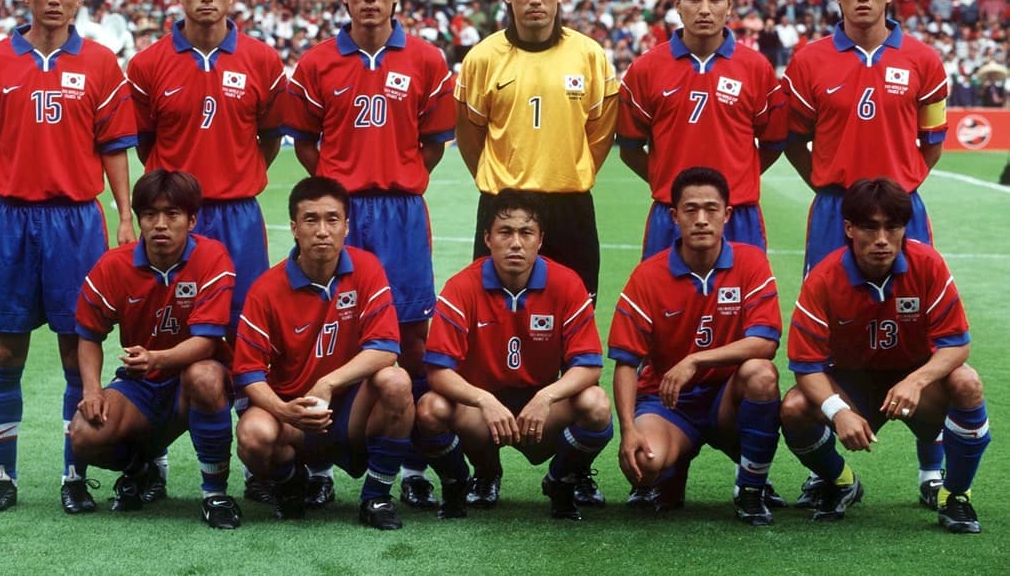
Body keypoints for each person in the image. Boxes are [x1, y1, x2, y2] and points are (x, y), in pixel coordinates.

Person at [0, 0, 137, 514]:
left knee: (78, 353)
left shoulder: (101, 63)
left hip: (78, 223)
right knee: (6, 353)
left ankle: (73, 477)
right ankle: (2, 477)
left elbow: (115, 148)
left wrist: (125, 214)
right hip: (12, 222)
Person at [284, 0, 455, 510]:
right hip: (344, 214)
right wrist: (340, 186)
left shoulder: (428, 61)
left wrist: (397, 178)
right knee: (329, 333)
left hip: (402, 215)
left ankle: (408, 462)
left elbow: (432, 144)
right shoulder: (316, 63)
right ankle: (321, 461)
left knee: (410, 335)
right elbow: (305, 142)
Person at [783, 0, 950, 506]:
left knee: (922, 329)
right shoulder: (809, 60)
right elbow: (791, 139)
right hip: (835, 212)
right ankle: (829, 473)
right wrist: (835, 191)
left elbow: (933, 143)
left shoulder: (924, 59)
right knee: (827, 330)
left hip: (903, 211)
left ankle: (934, 468)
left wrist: (899, 195)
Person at [455, 0, 617, 508]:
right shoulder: (481, 60)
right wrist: (506, 184)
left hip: (570, 210)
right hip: (502, 206)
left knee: (574, 339)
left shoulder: (591, 57)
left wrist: (563, 178)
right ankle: (487, 466)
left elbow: (600, 137)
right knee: (488, 332)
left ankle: (573, 466)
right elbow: (470, 140)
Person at [780, 178, 990, 533]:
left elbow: (956, 343)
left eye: (892, 227)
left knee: (967, 383)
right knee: (793, 407)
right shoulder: (824, 278)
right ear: (848, 228)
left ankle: (955, 495)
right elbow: (806, 364)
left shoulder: (927, 264)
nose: (881, 239)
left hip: (914, 384)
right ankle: (841, 481)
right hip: (852, 385)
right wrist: (839, 411)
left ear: (904, 228)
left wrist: (916, 380)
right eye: (869, 227)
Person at [415, 189, 613, 521]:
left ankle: (561, 479)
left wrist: (546, 397)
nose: (516, 243)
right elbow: (438, 371)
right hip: (482, 412)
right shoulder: (462, 286)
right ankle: (467, 479)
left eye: (526, 232)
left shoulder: (566, 283)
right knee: (430, 408)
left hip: (540, 412)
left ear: (540, 239)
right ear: (488, 238)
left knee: (596, 404)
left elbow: (589, 365)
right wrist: (483, 400)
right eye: (505, 232)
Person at [233, 176, 414, 530]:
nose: (322, 231)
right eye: (311, 220)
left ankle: (375, 495)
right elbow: (248, 373)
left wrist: (328, 384)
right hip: (293, 413)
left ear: (346, 226)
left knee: (396, 380)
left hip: (352, 410)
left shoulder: (366, 268)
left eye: (332, 219)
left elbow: (385, 346)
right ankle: (290, 484)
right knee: (253, 435)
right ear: (294, 228)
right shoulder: (266, 289)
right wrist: (284, 409)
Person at [608, 167, 783, 526]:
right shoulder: (648, 275)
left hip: (727, 401)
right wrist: (628, 429)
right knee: (645, 464)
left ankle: (751, 489)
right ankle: (674, 467)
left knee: (761, 375)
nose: (701, 220)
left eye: (711, 209)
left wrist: (696, 360)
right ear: (674, 217)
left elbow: (765, 342)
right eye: (690, 210)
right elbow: (626, 361)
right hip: (668, 402)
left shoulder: (750, 262)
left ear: (727, 215)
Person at [127, 0, 285, 337]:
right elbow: (145, 140)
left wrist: (237, 171)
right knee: (172, 328)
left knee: (243, 328)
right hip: (175, 217)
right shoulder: (147, 64)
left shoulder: (262, 59)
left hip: (239, 216)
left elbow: (270, 135)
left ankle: (248, 401)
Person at [69, 169, 241, 529]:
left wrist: (156, 359)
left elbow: (208, 341)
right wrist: (91, 390)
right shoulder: (114, 265)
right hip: (140, 385)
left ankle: (214, 493)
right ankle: (140, 469)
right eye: (149, 215)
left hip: (188, 383)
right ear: (139, 219)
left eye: (172, 215)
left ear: (192, 219)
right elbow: (88, 334)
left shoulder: (212, 258)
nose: (160, 225)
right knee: (83, 433)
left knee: (206, 375)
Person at [617, 0, 786, 259]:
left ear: (730, 4)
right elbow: (629, 147)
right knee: (665, 304)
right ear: (677, 4)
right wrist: (672, 187)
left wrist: (738, 179)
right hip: (671, 215)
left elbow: (774, 143)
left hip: (738, 215)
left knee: (741, 306)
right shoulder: (646, 69)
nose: (705, 9)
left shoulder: (756, 68)